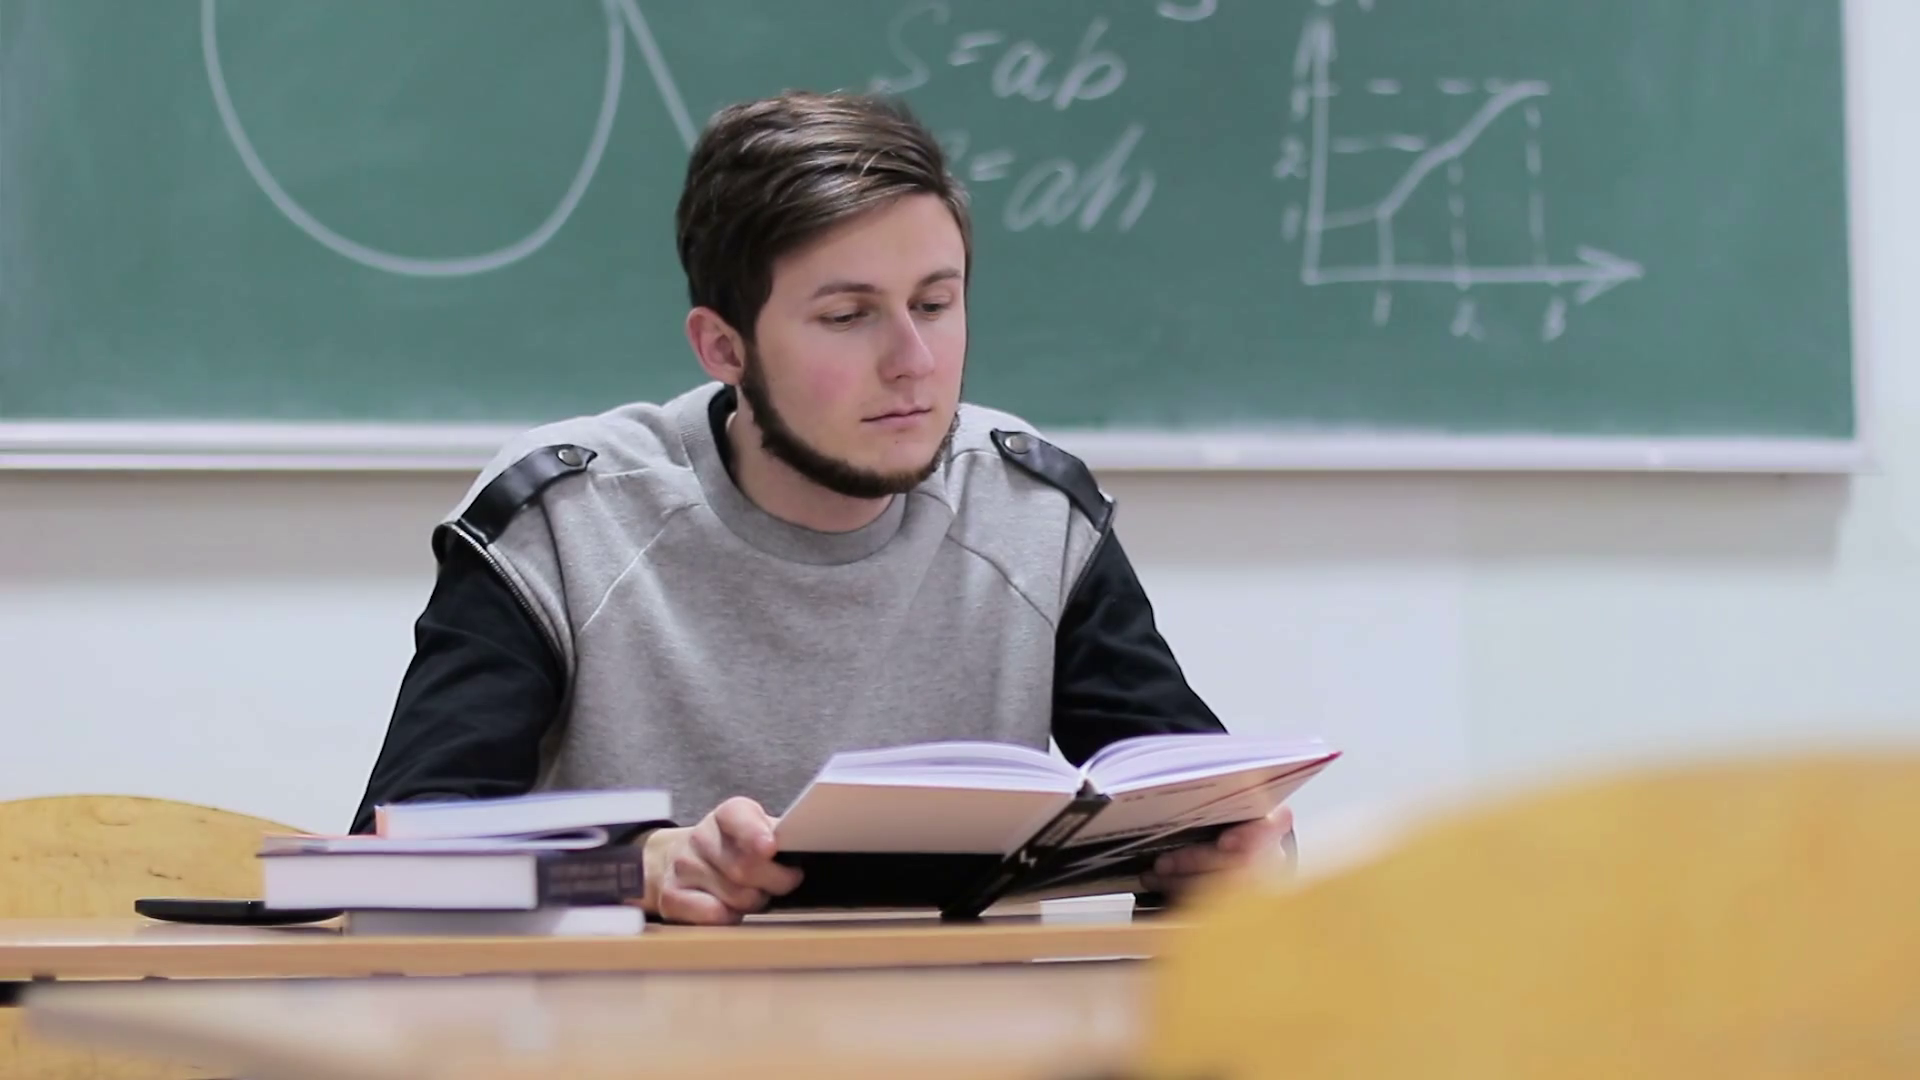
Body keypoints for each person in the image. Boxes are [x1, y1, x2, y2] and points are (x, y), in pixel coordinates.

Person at [350, 90, 1292, 924]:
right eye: (849, 317)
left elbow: (1190, 812)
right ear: (723, 347)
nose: (914, 363)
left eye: (936, 303)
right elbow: (391, 864)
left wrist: (1242, 855)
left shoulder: (1031, 508)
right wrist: (633, 868)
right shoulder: (563, 517)